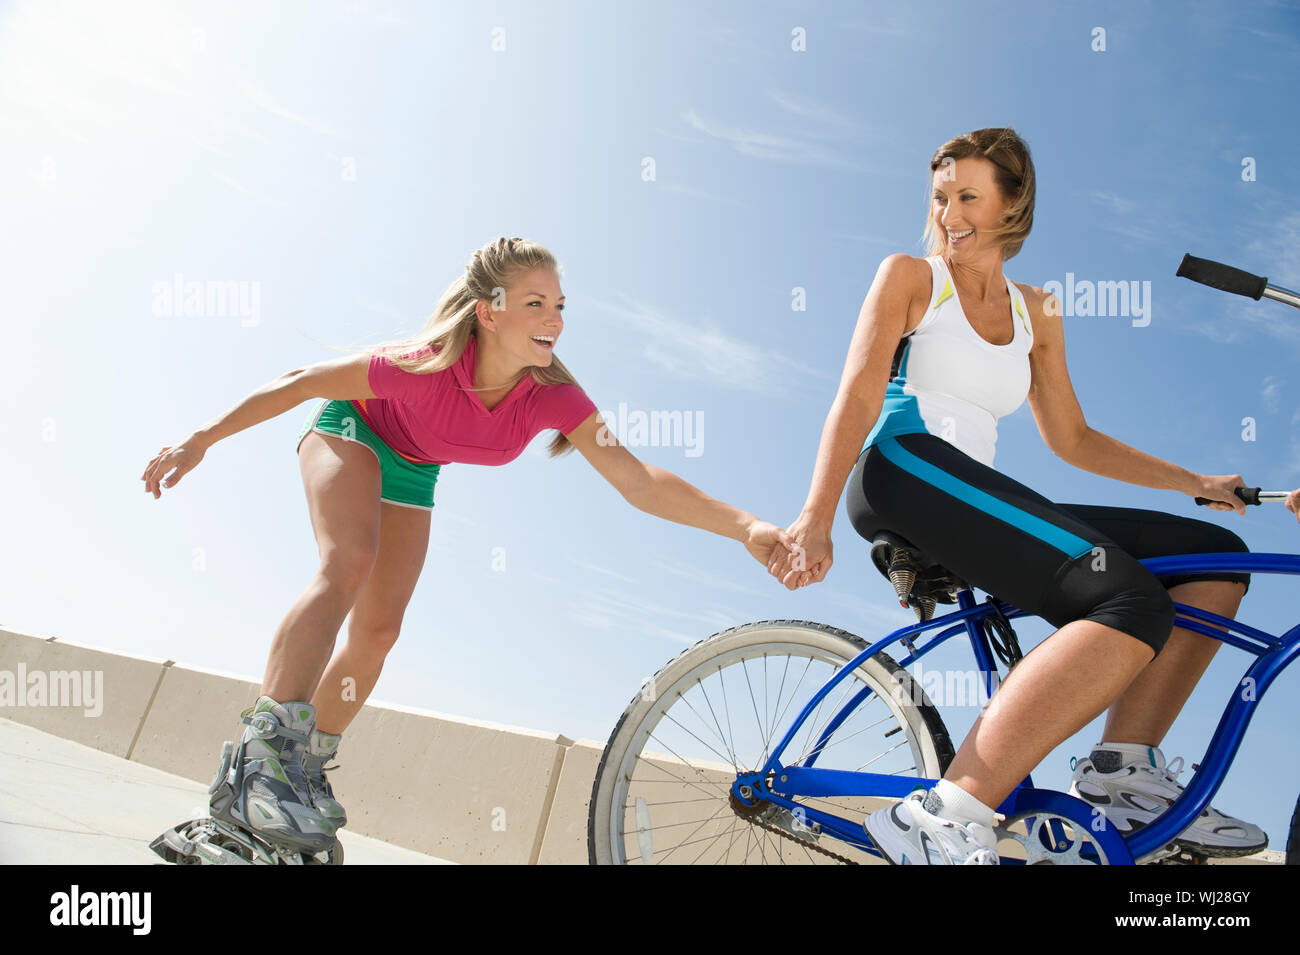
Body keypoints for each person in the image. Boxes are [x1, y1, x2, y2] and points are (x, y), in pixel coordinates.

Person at [141, 236, 794, 856]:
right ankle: (262, 759)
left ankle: (305, 766)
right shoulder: (420, 367)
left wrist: (747, 527)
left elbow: (638, 480)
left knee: (380, 631)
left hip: (413, 469)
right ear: (490, 311)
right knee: (349, 560)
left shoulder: (550, 397)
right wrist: (201, 437)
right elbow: (303, 381)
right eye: (535, 302)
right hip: (351, 428)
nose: (554, 319)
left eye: (560, 305)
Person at [767, 129, 1266, 865]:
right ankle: (944, 812)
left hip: (974, 489)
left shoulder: (1039, 312)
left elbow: (1074, 439)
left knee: (1216, 559)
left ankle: (1121, 771)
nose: (949, 213)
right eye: (941, 197)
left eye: (968, 196)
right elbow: (858, 391)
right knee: (1130, 600)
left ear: (1012, 204)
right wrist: (813, 515)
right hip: (903, 466)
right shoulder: (911, 276)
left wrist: (1195, 483)